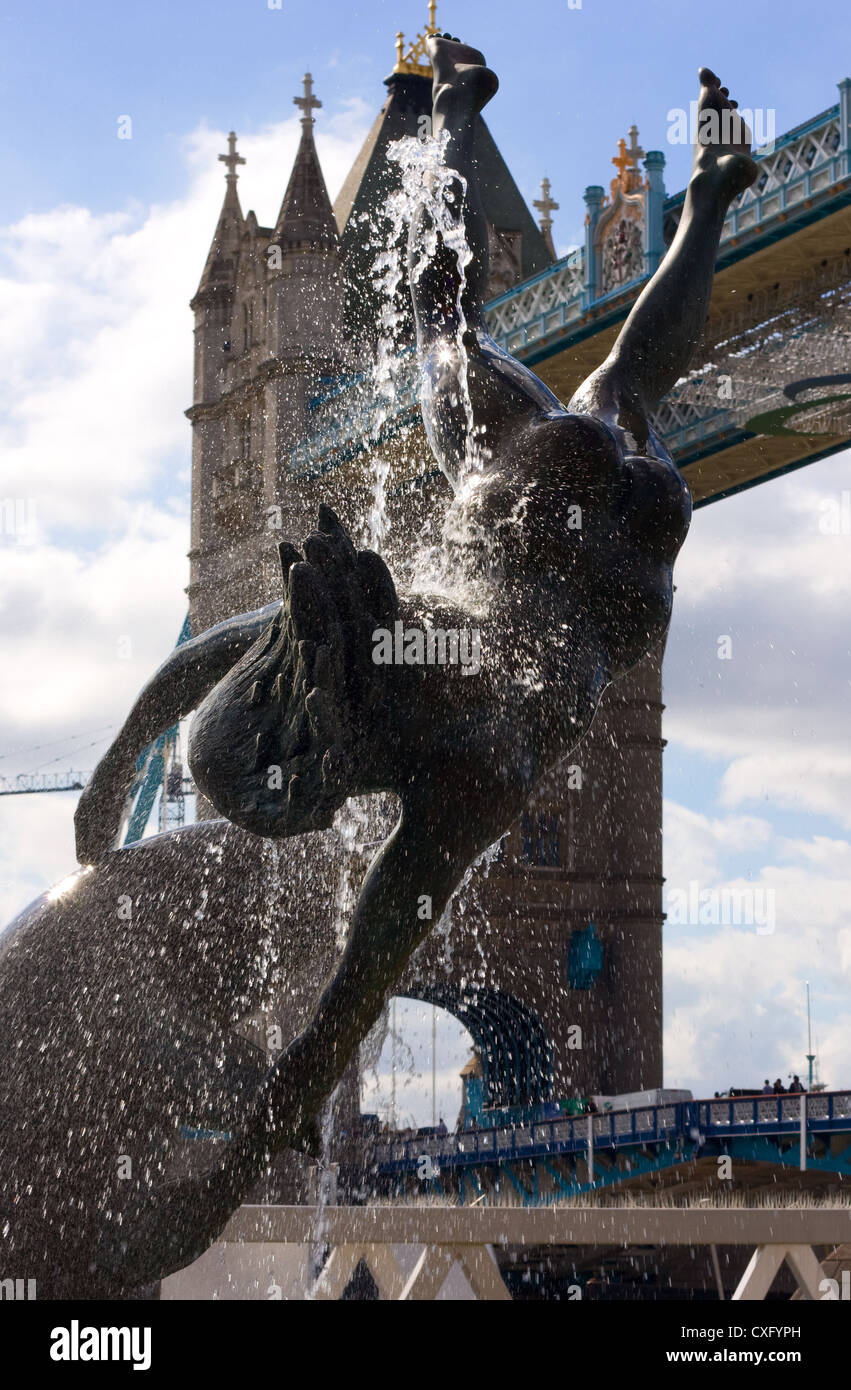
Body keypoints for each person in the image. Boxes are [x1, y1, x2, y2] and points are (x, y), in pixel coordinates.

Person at [4, 35, 759, 1294]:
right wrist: (119, 766)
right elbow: (346, 992)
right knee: (464, 341)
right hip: (580, 543)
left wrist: (120, 766)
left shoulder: (438, 713)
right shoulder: (439, 706)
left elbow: (341, 967)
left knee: (461, 341)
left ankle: (465, 131)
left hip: (587, 543)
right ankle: (486, 138)